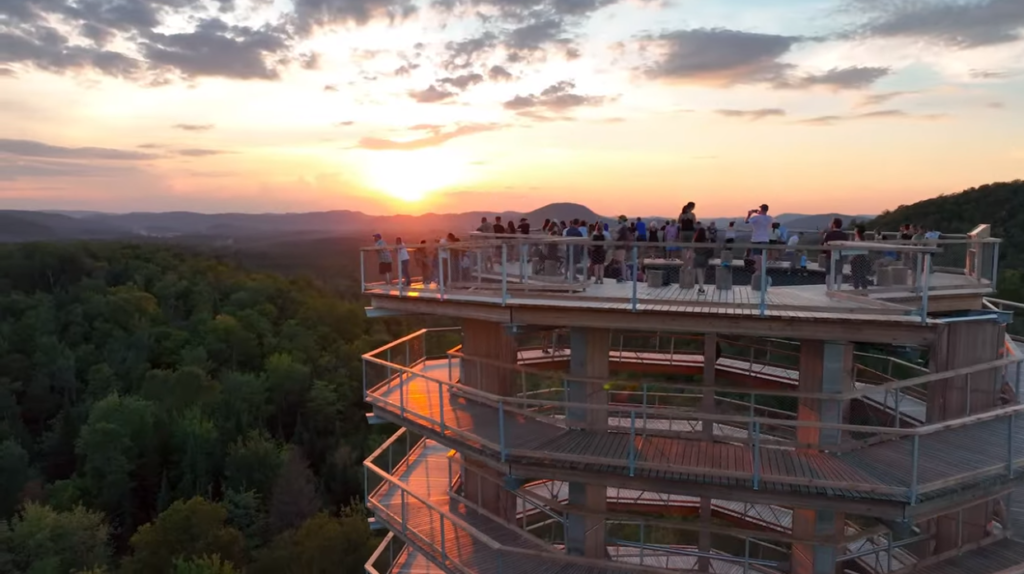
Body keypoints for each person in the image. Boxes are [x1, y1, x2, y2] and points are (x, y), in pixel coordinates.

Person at [746, 204, 773, 276]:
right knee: (763, 255)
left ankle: (759, 271)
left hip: (756, 239)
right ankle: (763, 270)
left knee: (756, 255)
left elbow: (746, 221)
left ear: (761, 209)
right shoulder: (770, 218)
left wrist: (749, 214)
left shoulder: (756, 218)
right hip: (765, 239)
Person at [822, 217, 848, 289]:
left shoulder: (829, 234)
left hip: (829, 256)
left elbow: (825, 246)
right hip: (840, 255)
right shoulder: (844, 235)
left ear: (833, 224)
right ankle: (838, 288)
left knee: (828, 273)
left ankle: (829, 288)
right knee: (839, 272)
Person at [850, 225, 871, 290]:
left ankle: (856, 288)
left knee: (855, 274)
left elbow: (855, 249)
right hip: (862, 257)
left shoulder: (858, 239)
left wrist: (851, 257)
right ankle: (864, 288)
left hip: (857, 257)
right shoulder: (863, 238)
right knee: (862, 274)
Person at [692, 225, 712, 295]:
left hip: (697, 258)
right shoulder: (706, 241)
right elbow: (709, 249)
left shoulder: (695, 241)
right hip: (705, 258)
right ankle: (701, 287)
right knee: (703, 274)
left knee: (699, 275)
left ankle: (701, 289)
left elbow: (692, 249)